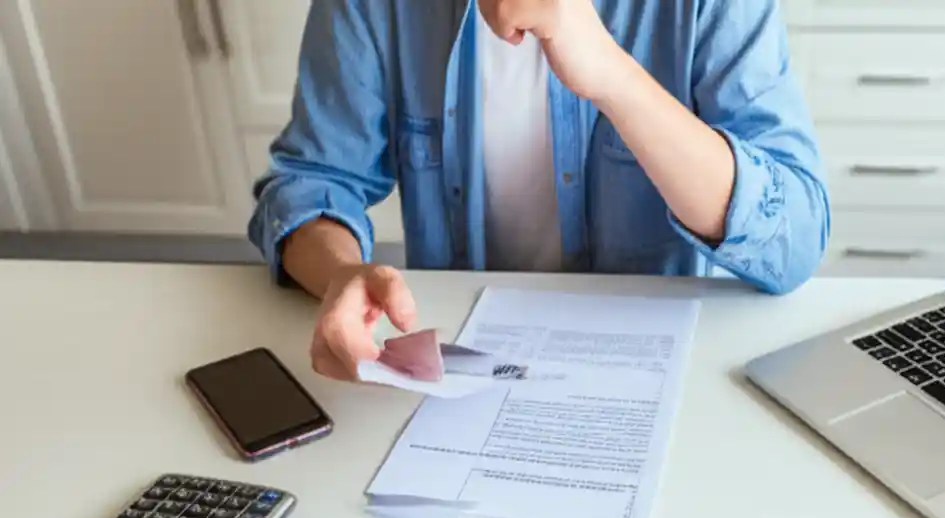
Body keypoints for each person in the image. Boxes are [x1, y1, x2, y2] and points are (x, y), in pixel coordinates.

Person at [249, 0, 831, 381]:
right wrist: (339, 276)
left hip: (668, 367)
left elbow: (794, 241)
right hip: (467, 362)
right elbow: (311, 182)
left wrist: (612, 76)